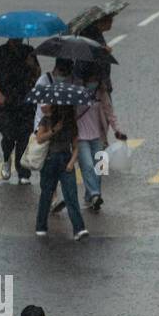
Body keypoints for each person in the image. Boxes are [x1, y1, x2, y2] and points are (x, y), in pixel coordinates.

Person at [70, 71, 125, 213]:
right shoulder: (76, 93)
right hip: (81, 138)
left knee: (100, 169)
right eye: (91, 78)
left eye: (95, 78)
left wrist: (117, 130)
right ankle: (95, 194)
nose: (93, 81)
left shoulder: (102, 94)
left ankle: (90, 197)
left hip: (98, 137)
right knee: (88, 165)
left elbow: (110, 113)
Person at [0, 35, 40, 184]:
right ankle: (6, 158)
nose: (19, 39)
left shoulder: (29, 51)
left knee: (25, 137)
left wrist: (32, 65)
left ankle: (23, 173)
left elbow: (38, 74)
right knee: (8, 135)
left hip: (26, 101)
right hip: (7, 101)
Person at [33, 103, 88, 240]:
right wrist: (54, 130)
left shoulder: (71, 124)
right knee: (46, 194)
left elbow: (76, 147)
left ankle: (79, 229)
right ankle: (41, 227)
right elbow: (39, 139)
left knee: (71, 196)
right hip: (49, 161)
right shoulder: (46, 120)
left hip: (65, 161)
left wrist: (71, 163)